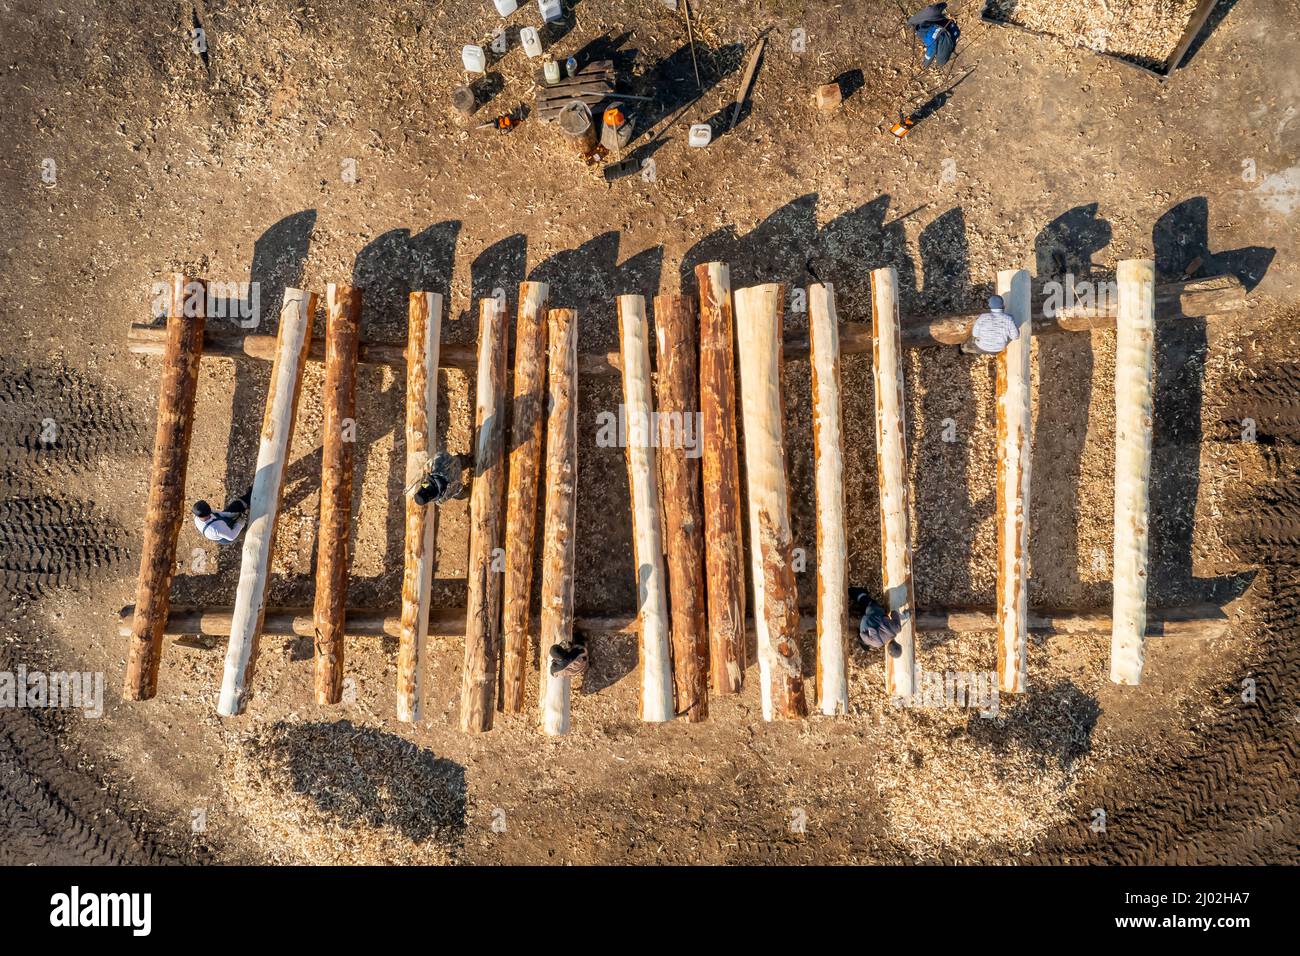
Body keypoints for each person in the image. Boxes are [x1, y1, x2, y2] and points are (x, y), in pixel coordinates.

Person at [849, 587, 904, 658]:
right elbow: (862, 634)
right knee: (865, 642)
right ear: (887, 650)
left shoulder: (897, 628)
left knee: (870, 603)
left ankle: (855, 593)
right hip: (862, 622)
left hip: (872, 610)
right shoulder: (877, 644)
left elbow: (894, 613)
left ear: (898, 644)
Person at [908, 3, 960, 69]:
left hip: (948, 33)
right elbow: (933, 10)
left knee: (941, 61)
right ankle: (949, 47)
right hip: (950, 27)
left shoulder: (930, 36)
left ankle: (943, 58)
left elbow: (931, 49)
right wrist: (944, 5)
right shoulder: (926, 17)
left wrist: (925, 64)